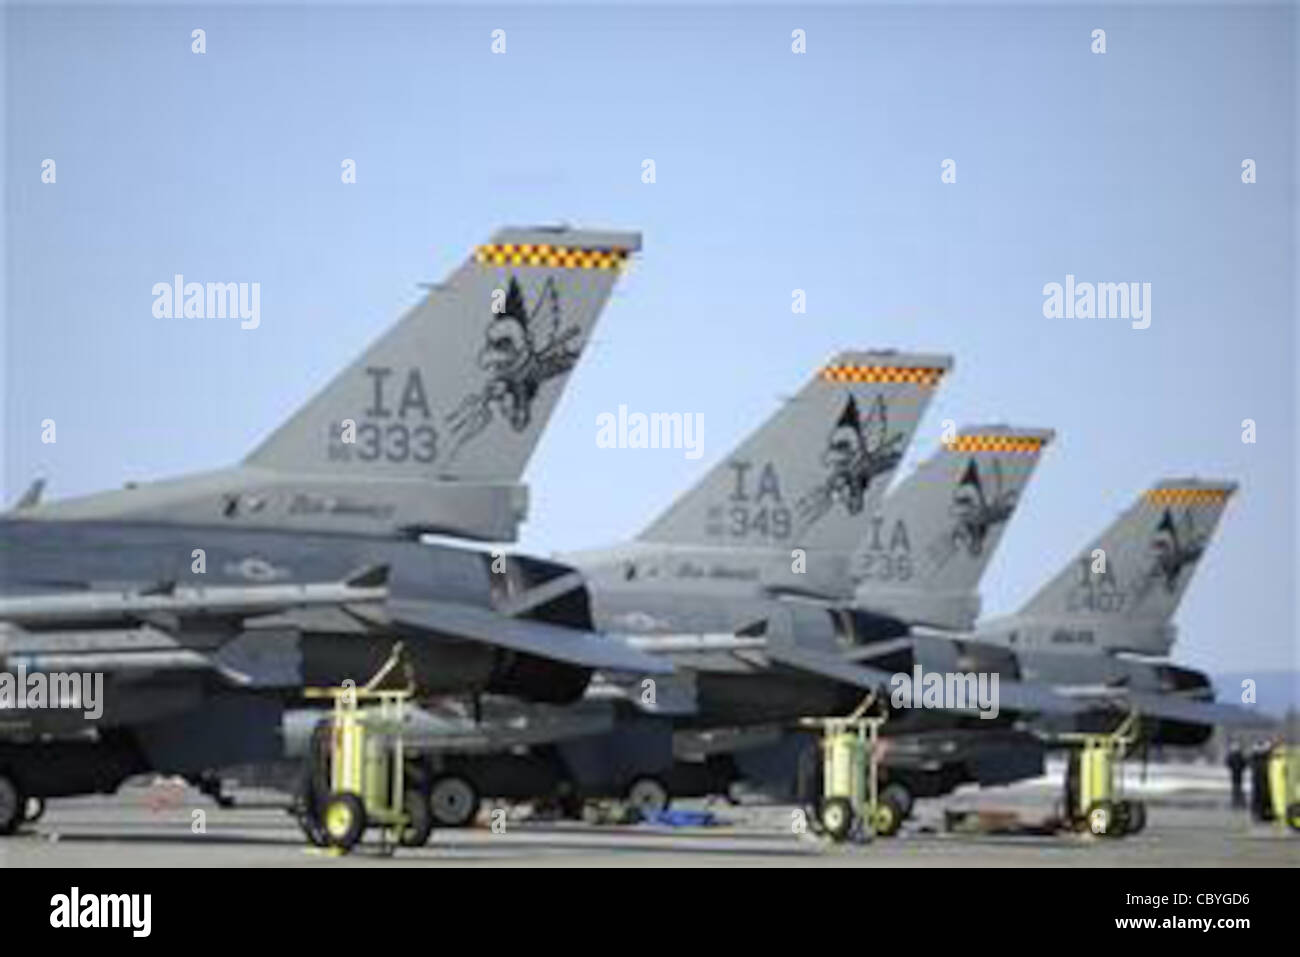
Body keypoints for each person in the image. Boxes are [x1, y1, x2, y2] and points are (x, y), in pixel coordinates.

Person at [1225, 742, 1247, 808]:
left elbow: (1244, 763)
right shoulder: (1234, 756)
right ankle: (1236, 801)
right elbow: (1228, 763)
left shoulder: (1238, 755)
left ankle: (1238, 801)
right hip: (1235, 773)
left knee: (1237, 787)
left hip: (1238, 773)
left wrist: (1239, 768)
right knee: (1236, 787)